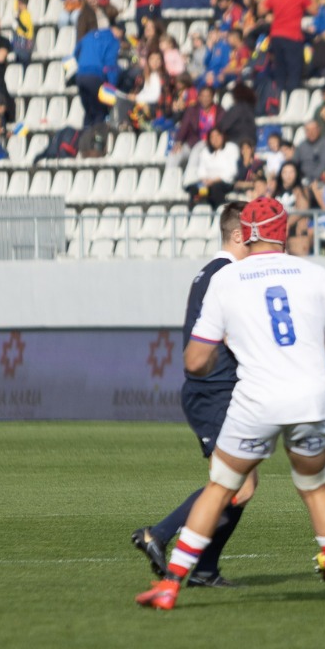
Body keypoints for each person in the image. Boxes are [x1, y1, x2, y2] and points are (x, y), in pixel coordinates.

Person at [135, 198, 325, 611]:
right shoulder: (315, 273)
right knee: (315, 490)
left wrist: (216, 351)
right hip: (310, 396)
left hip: (255, 398)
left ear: (247, 233)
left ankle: (171, 586)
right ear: (283, 232)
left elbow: (194, 360)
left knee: (221, 487)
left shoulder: (227, 279)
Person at [130, 204, 254, 588]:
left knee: (240, 483)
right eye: (254, 235)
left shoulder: (209, 272)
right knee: (235, 484)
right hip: (215, 392)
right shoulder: (229, 275)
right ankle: (159, 534)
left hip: (217, 391)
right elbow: (235, 335)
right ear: (237, 235)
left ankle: (205, 569)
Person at [261, 0, 312, 94]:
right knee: (294, 70)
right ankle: (292, 98)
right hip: (293, 36)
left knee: (280, 70)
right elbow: (314, 10)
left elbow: (261, 10)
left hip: (277, 36)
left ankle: (279, 99)